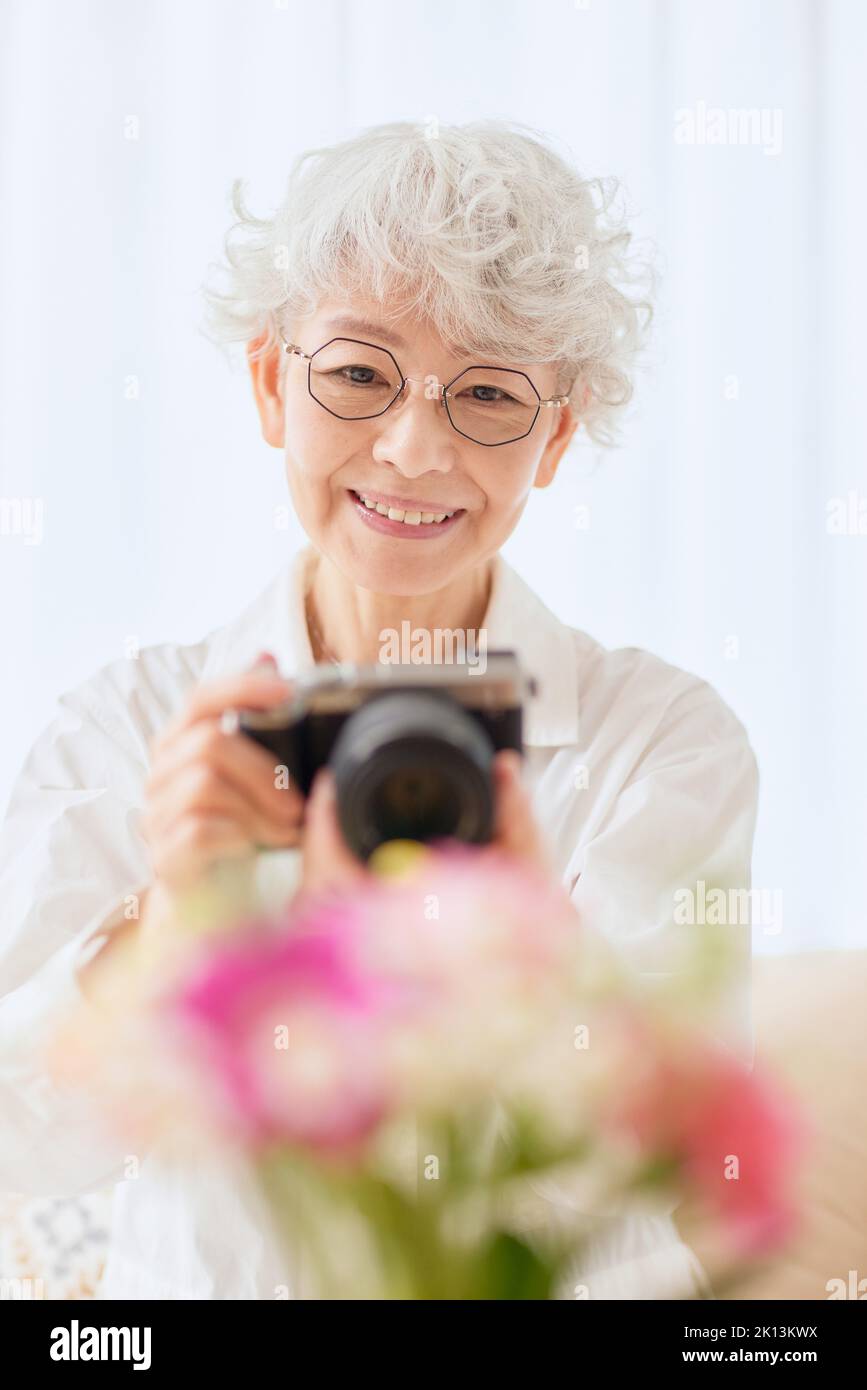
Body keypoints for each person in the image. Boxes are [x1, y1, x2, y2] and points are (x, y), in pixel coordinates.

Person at [0, 120, 758, 1300]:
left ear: (555, 436)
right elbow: (20, 1148)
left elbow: (668, 1171)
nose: (412, 447)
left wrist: (520, 961)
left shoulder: (659, 744)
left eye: (490, 394)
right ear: (269, 383)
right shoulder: (134, 729)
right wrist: (173, 928)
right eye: (357, 373)